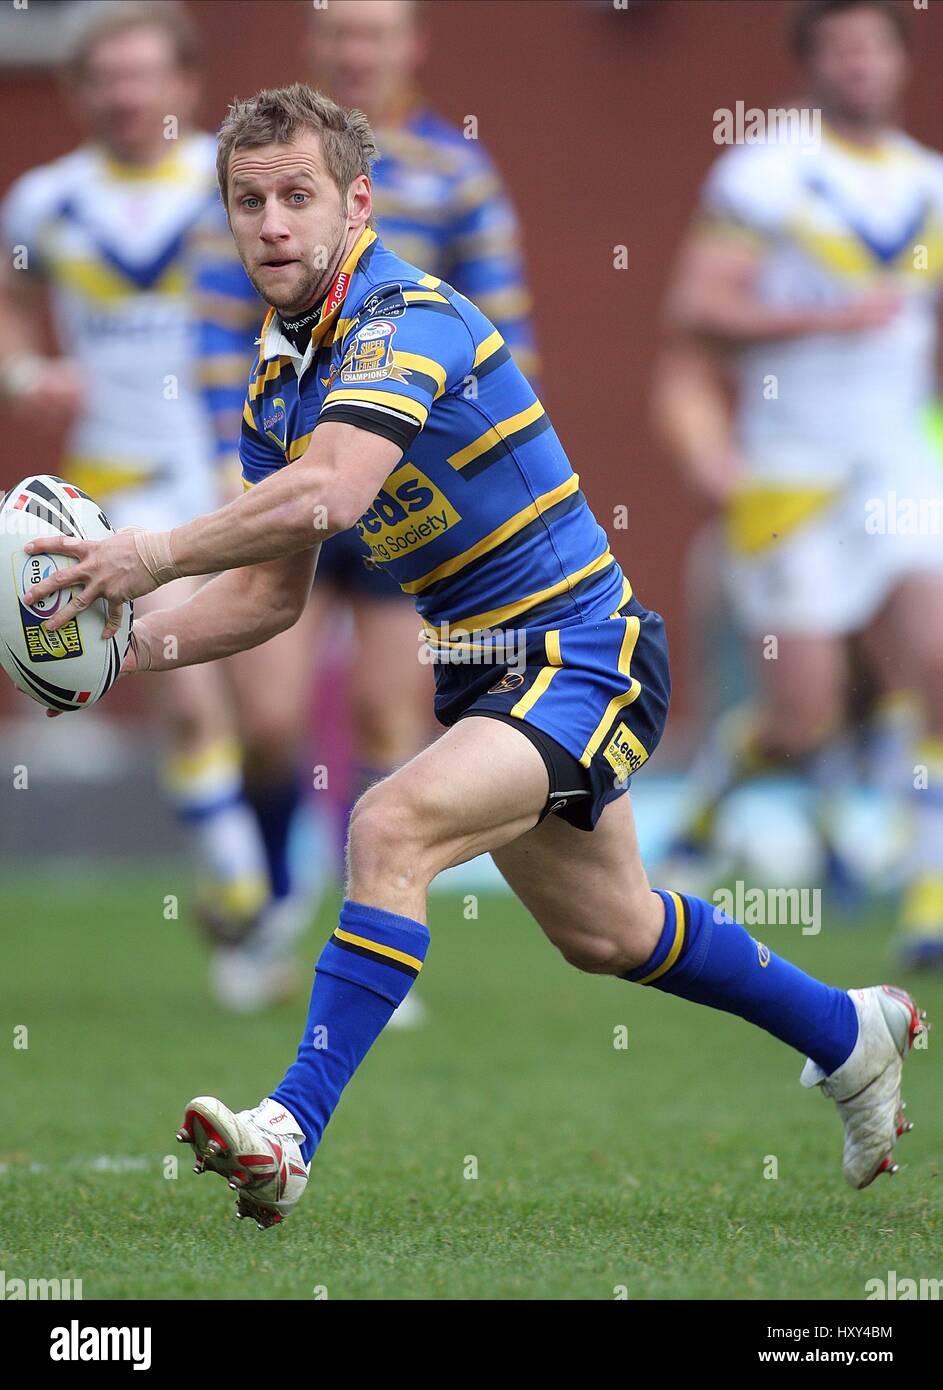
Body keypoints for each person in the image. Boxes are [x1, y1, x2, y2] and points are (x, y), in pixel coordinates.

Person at [25, 85, 925, 1229]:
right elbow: (263, 595)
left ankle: (288, 1130)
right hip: (492, 673)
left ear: (357, 202)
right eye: (248, 201)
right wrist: (116, 656)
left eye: (298, 196)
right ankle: (850, 1031)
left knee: (386, 826)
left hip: (580, 654)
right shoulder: (276, 383)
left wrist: (143, 554)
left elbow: (331, 492)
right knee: (615, 930)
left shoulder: (407, 314)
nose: (273, 224)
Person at [196, 0, 540, 1014]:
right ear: (319, 49)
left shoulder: (456, 174)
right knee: (265, 718)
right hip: (285, 472)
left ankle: (370, 933)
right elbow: (222, 325)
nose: (355, 51)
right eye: (339, 36)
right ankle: (265, 903)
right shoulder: (261, 179)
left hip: (401, 496)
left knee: (390, 710)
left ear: (409, 47)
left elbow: (504, 326)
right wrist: (234, 459)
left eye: (374, 36)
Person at [655, 0, 943, 963]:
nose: (859, 65)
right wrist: (828, 321)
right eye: (840, 48)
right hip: (790, 483)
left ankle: (930, 897)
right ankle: (704, 805)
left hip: (899, 467)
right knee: (803, 716)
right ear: (811, 63)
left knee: (935, 663)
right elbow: (696, 306)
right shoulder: (766, 172)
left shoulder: (927, 184)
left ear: (900, 62)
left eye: (875, 47)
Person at [0, 1, 273, 968]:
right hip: (116, 488)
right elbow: (13, 312)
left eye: (141, 74)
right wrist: (28, 373)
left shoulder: (236, 185)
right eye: (104, 76)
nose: (124, 94)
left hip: (231, 472)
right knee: (183, 680)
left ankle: (257, 886)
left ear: (184, 83)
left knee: (277, 723)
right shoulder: (43, 202)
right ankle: (240, 884)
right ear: (78, 90)